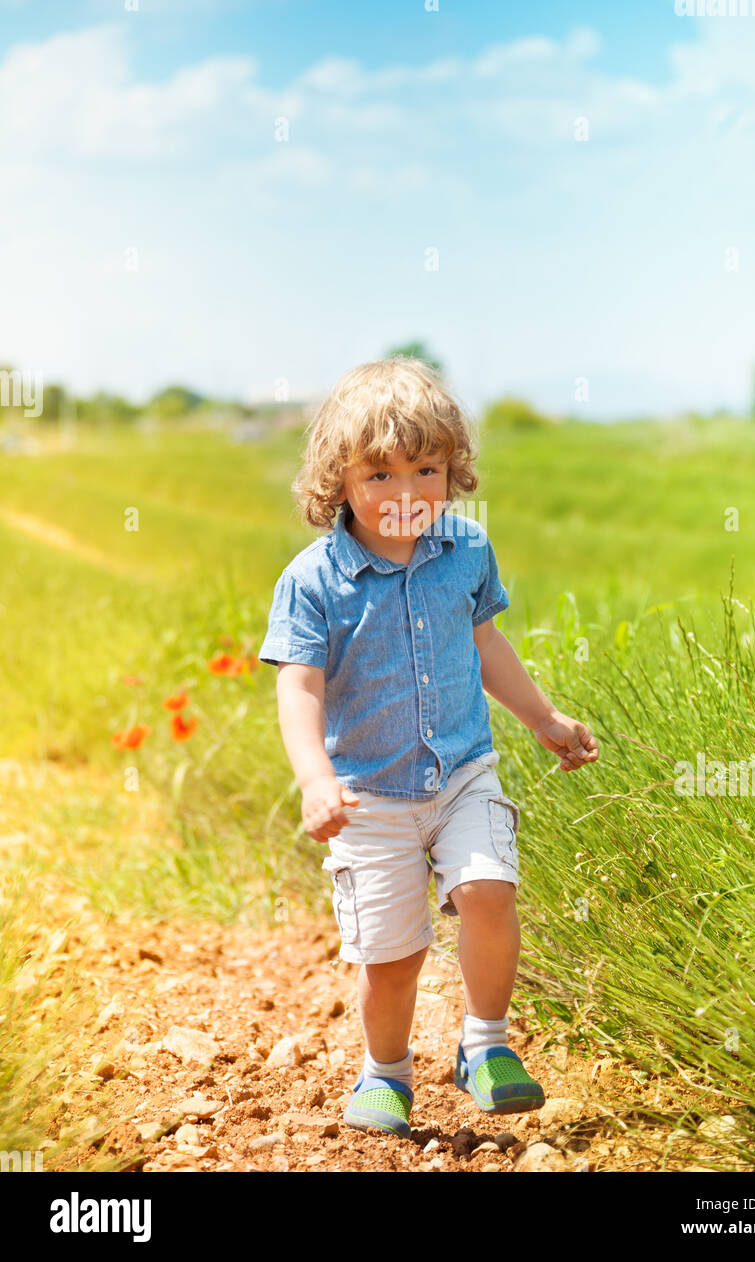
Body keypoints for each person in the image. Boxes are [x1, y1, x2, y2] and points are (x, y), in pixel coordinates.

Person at [258, 356, 599, 1138]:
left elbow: (486, 647)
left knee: (488, 890)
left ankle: (484, 1044)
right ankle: (385, 1072)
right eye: (380, 476)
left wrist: (544, 719)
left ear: (454, 471)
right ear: (337, 479)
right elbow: (298, 688)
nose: (407, 495)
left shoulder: (467, 554)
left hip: (462, 773)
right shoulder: (314, 582)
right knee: (393, 957)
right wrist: (314, 780)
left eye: (427, 470)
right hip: (367, 796)